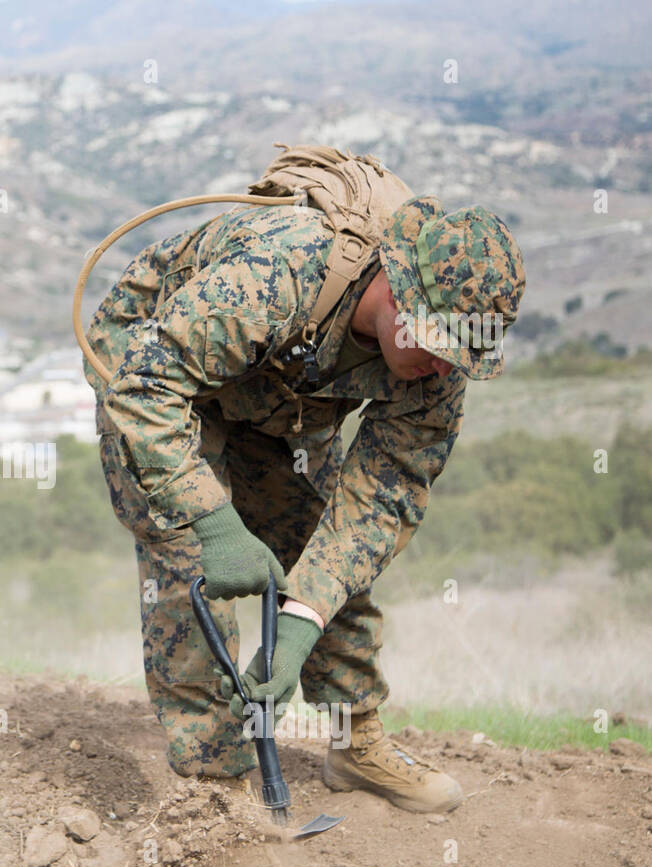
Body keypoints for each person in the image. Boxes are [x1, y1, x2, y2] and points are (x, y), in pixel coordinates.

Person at [85, 186, 525, 813]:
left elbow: (373, 509)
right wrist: (215, 522)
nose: (443, 367)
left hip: (277, 411)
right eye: (436, 344)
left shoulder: (436, 373)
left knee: (326, 546)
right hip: (158, 385)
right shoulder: (275, 277)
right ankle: (216, 783)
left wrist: (300, 623)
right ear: (398, 291)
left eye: (461, 354)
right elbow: (146, 383)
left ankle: (355, 743)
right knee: (189, 567)